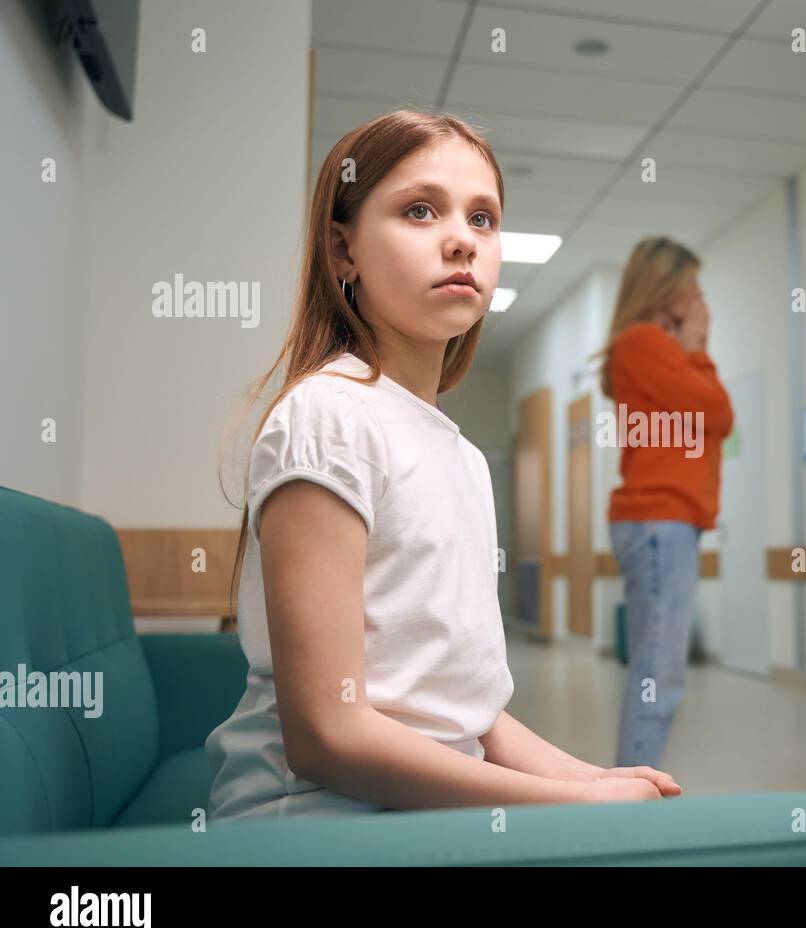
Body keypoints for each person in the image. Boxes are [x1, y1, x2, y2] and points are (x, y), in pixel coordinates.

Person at [206, 110, 681, 820]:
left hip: (426, 812)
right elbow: (327, 738)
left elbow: (470, 714)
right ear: (343, 251)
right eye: (420, 210)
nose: (462, 239)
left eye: (483, 218)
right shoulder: (330, 418)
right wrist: (569, 805)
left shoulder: (460, 456)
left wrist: (594, 779)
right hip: (313, 820)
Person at [593, 238, 733, 768]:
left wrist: (691, 348)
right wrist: (698, 346)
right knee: (658, 672)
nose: (701, 299)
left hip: (665, 523)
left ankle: (634, 787)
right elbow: (717, 413)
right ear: (664, 289)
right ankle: (633, 799)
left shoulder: (650, 346)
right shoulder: (643, 341)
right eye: (692, 287)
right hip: (659, 521)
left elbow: (705, 417)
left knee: (659, 668)